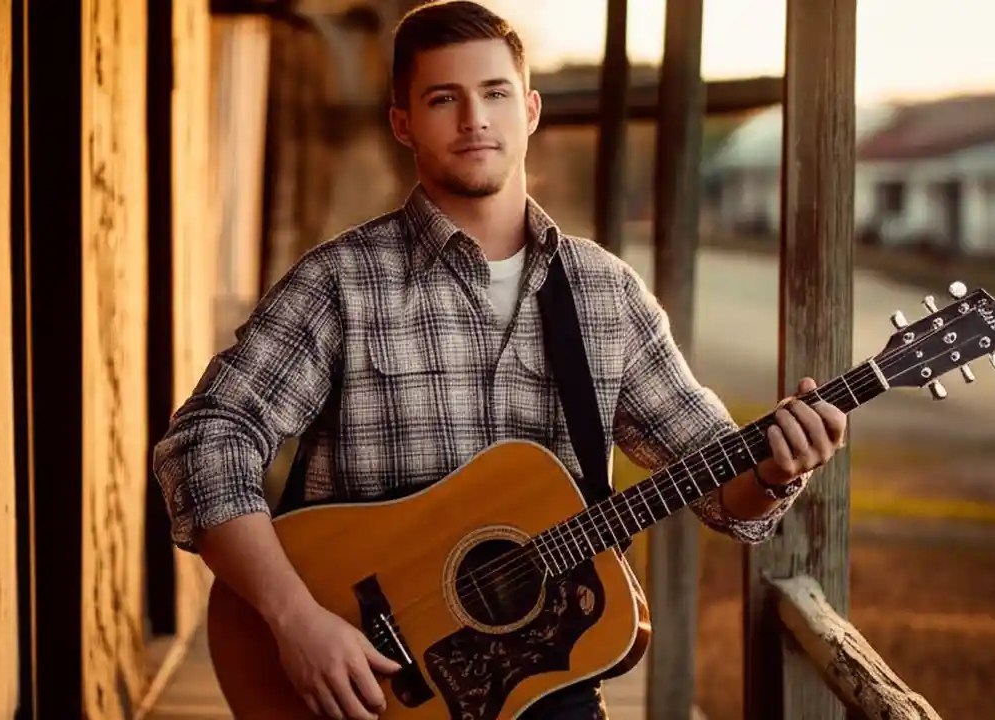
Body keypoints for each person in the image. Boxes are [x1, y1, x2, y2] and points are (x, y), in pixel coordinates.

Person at [152, 2, 847, 719]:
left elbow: (718, 484)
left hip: (546, 683)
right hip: (367, 685)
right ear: (403, 124)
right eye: (442, 99)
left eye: (494, 93)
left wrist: (771, 472)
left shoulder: (604, 294)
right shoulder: (343, 283)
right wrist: (295, 619)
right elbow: (205, 441)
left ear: (531, 109)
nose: (473, 119)